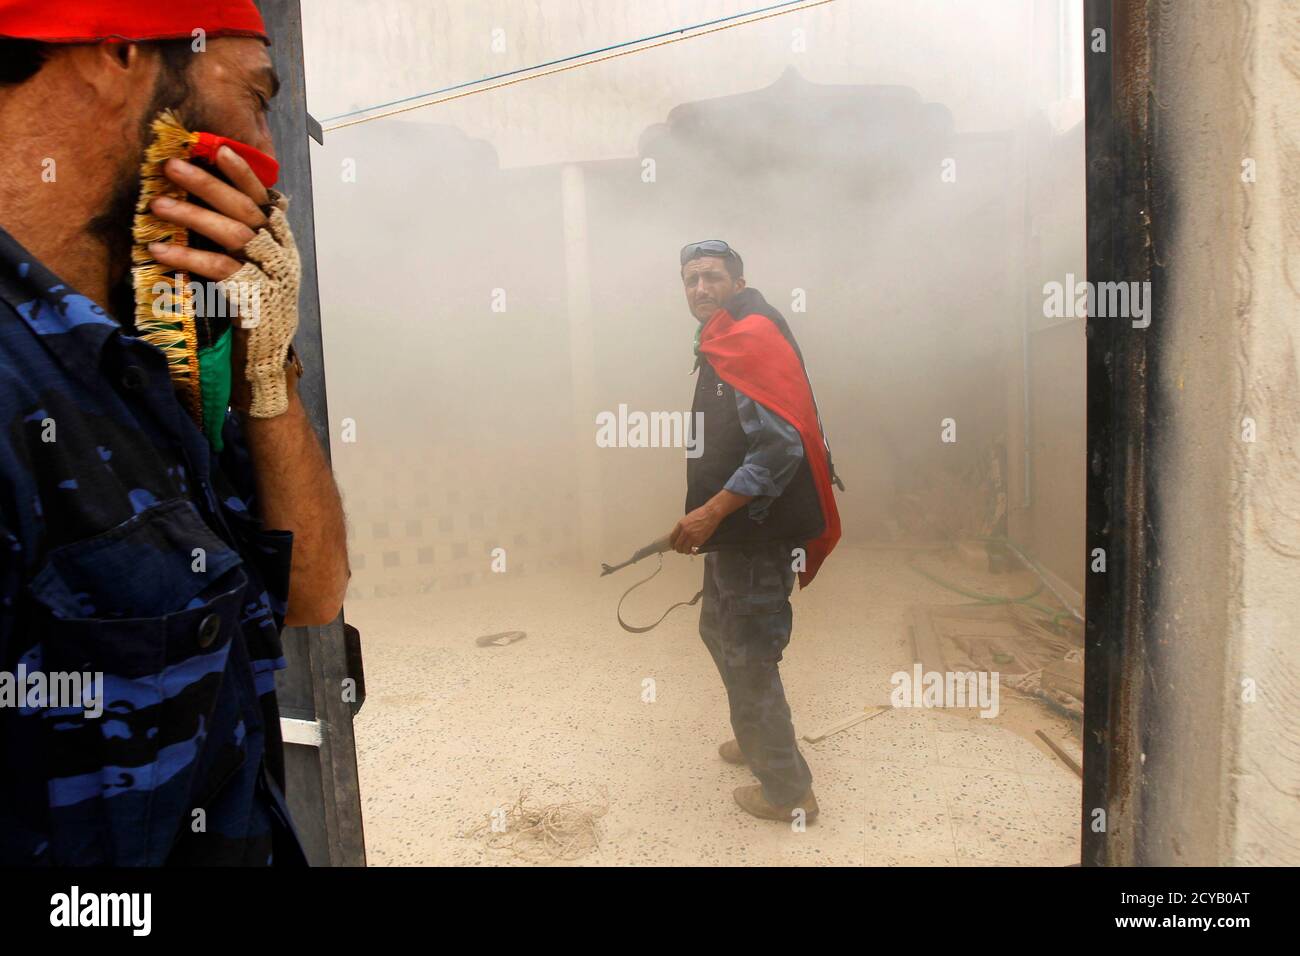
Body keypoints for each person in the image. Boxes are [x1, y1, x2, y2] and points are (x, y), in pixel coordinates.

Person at [0, 1, 349, 864]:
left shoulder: (143, 347)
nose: (264, 158)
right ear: (118, 48)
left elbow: (312, 593)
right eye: (257, 96)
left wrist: (271, 374)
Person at [669, 239, 842, 823]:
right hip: (734, 532)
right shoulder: (724, 336)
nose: (700, 288)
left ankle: (789, 792)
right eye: (690, 279)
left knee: (748, 655)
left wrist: (712, 511)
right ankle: (756, 734)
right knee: (717, 631)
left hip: (755, 532)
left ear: (737, 282)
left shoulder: (748, 339)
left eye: (712, 277)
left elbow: (778, 447)